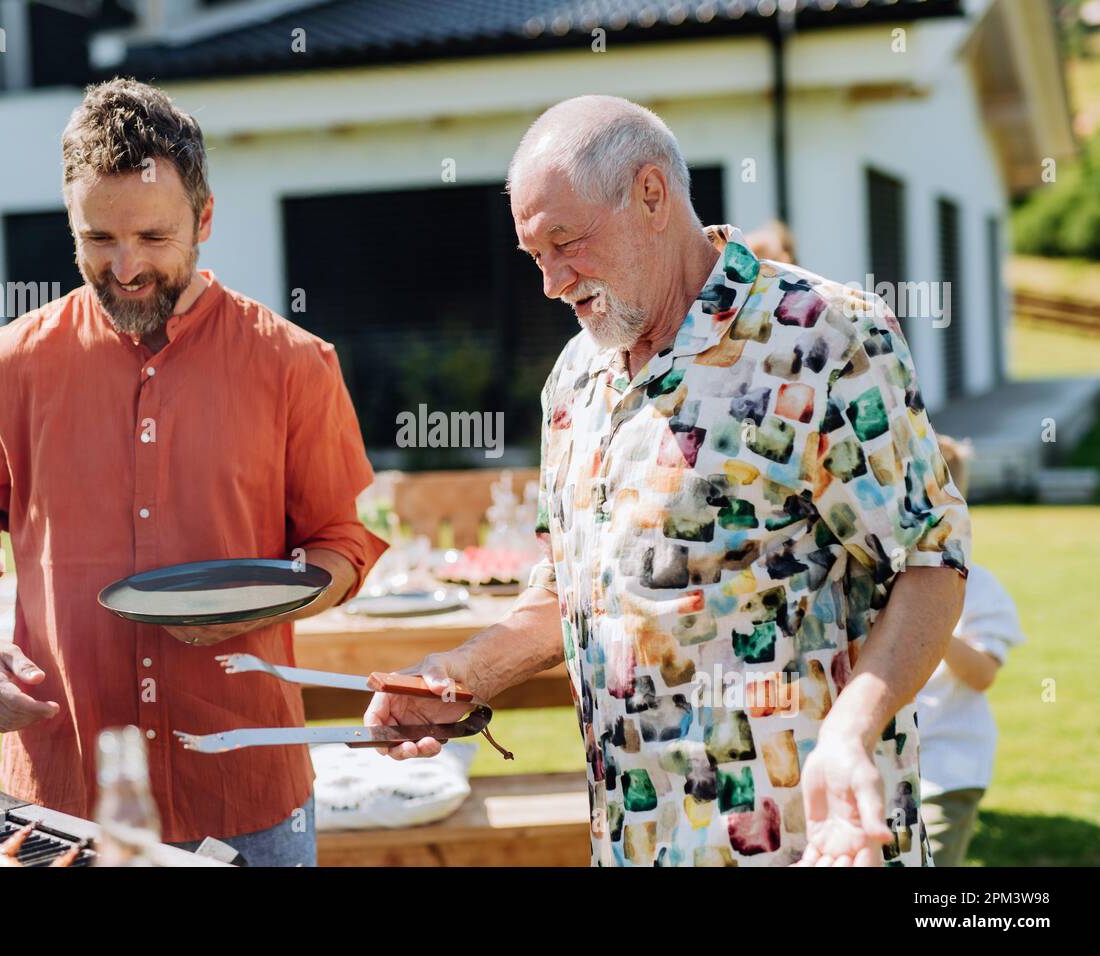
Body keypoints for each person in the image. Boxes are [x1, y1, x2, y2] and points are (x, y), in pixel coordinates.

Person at [366, 95, 970, 867]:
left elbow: (931, 562)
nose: (551, 282)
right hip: (637, 843)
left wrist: (852, 731)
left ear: (652, 195)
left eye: (565, 242)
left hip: (808, 842)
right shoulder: (575, 378)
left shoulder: (826, 335)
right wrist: (456, 677)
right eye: (534, 256)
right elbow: (568, 590)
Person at [0, 78, 386, 866]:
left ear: (204, 219)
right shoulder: (9, 364)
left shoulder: (295, 365)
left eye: (153, 239)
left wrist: (278, 597)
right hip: (64, 799)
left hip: (249, 797)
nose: (125, 267)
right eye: (98, 239)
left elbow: (341, 542)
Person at [917, 436, 1025, 866]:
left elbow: (982, 674)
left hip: (948, 769)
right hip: (884, 766)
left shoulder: (978, 586)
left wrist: (929, 625)